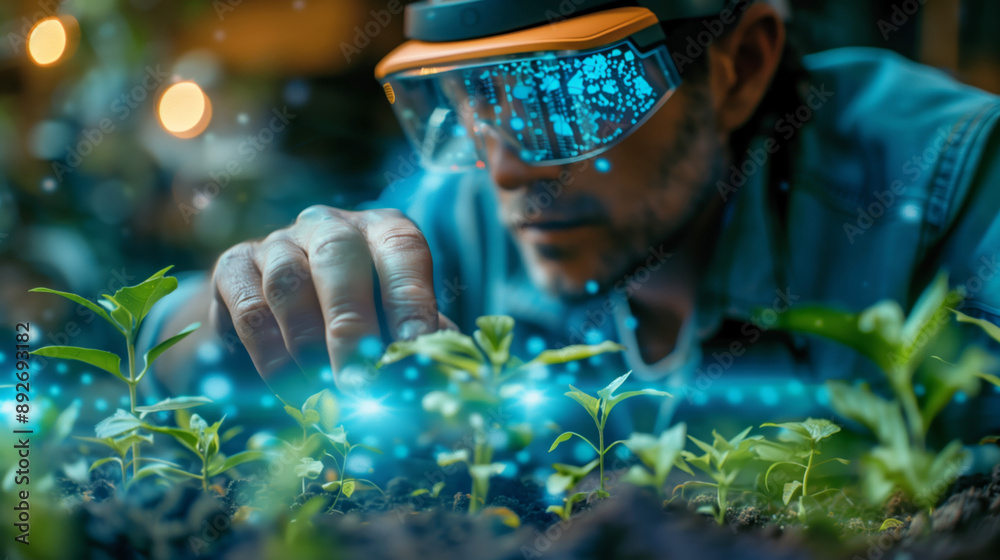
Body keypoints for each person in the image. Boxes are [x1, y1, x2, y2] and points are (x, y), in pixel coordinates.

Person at [149, 0, 1000, 441]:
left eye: (572, 95)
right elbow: (182, 342)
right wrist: (238, 323)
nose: (510, 165)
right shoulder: (459, 219)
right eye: (468, 95)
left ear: (740, 67)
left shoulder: (950, 190)